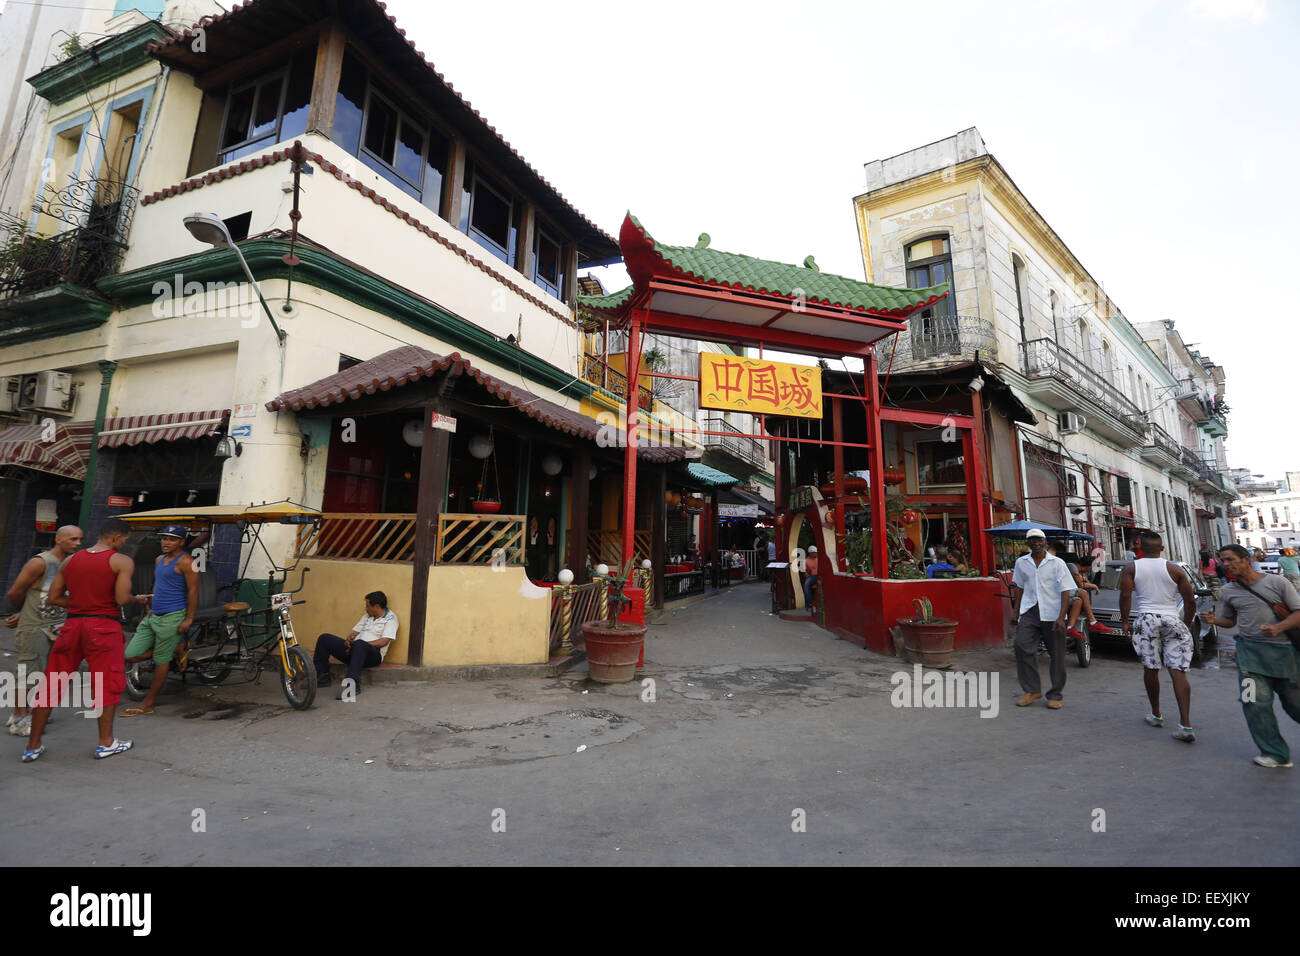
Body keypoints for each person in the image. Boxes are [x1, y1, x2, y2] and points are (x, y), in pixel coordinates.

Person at [21, 518, 139, 762]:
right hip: (104, 626)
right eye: (124, 540)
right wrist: (139, 599)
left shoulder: (70, 560)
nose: (124, 544)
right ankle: (106, 743)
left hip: (72, 625)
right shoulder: (121, 561)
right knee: (106, 684)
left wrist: (80, 603)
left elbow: (54, 597)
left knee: (52, 683)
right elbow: (120, 598)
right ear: (117, 538)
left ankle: (32, 746)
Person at [1200, 544, 1300, 768]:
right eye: (1222, 561)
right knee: (1253, 703)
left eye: (1229, 559)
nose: (1225, 565)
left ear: (1246, 559)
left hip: (1283, 653)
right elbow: (1230, 621)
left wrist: (1279, 627)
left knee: (1295, 705)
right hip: (1249, 656)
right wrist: (1215, 621)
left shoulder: (1277, 583)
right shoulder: (1228, 591)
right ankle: (1275, 753)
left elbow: (1298, 613)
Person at [1119, 530, 1198, 743]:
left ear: (1140, 548)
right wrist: (1187, 623)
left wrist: (1125, 621)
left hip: (1147, 620)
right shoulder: (1174, 569)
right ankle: (1186, 725)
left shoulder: (1132, 567)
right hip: (1172, 619)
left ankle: (1156, 715)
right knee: (1178, 671)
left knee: (1151, 668)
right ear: (1162, 548)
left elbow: (1126, 595)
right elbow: (1190, 601)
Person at [5, 525, 83, 736]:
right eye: (73, 539)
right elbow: (15, 592)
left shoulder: (69, 564)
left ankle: (28, 712)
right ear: (59, 540)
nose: (77, 543)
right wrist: (24, 612)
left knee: (47, 674)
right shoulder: (40, 563)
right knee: (28, 673)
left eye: (79, 540)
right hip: (34, 628)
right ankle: (20, 717)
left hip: (58, 627)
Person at [121, 525, 198, 717]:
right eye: (164, 538)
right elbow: (159, 584)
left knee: (160, 660)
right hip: (153, 615)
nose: (166, 542)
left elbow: (193, 591)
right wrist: (150, 603)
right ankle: (177, 647)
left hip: (172, 617)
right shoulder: (159, 560)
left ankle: (149, 703)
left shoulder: (187, 561)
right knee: (130, 655)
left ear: (181, 542)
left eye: (172, 539)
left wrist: (189, 618)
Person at [1009, 528, 1076, 709]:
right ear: (1028, 543)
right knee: (1021, 645)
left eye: (1038, 540)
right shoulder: (1021, 562)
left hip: (1053, 612)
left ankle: (1055, 695)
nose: (1035, 543)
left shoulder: (1057, 563)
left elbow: (1065, 590)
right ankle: (1032, 690)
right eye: (1031, 540)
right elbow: (1020, 587)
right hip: (1030, 611)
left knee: (1057, 655)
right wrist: (1016, 612)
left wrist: (1062, 617)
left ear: (1045, 542)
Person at [314, 591, 398, 699]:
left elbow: (384, 641)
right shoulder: (368, 616)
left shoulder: (391, 619)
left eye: (367, 606)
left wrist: (360, 644)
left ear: (376, 606)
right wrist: (349, 639)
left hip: (373, 656)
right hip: (355, 651)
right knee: (324, 638)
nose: (366, 609)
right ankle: (322, 678)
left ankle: (352, 687)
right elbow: (355, 633)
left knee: (360, 644)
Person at [802, 546, 819, 611]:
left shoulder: (819, 559)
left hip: (820, 575)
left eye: (816, 552)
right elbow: (804, 571)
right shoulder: (805, 561)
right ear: (810, 553)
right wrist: (806, 574)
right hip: (812, 576)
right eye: (813, 553)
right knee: (807, 584)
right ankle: (810, 603)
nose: (815, 554)